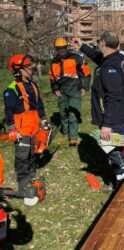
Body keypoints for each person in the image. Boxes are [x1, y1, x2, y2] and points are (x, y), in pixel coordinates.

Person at [70, 32, 124, 184]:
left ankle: (123, 182)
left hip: (113, 117)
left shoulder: (110, 67)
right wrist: (82, 47)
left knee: (112, 149)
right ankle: (121, 176)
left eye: (99, 42)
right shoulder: (113, 58)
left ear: (103, 43)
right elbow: (99, 58)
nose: (98, 44)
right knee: (116, 147)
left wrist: (107, 125)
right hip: (118, 114)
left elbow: (112, 97)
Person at [4, 54, 50, 193]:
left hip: (34, 126)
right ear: (18, 70)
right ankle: (23, 182)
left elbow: (39, 104)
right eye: (27, 67)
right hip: (21, 129)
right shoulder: (11, 89)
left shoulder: (33, 85)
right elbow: (8, 111)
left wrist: (43, 119)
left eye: (30, 66)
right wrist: (12, 128)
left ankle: (31, 176)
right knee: (22, 156)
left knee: (32, 154)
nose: (31, 69)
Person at [48, 37, 88, 146]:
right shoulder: (54, 62)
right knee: (63, 113)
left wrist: (84, 86)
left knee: (73, 114)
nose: (61, 50)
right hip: (61, 91)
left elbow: (86, 73)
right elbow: (52, 77)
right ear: (56, 49)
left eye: (63, 48)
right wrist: (55, 88)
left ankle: (73, 137)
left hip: (75, 89)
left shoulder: (76, 58)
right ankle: (65, 131)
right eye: (59, 48)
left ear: (66, 47)